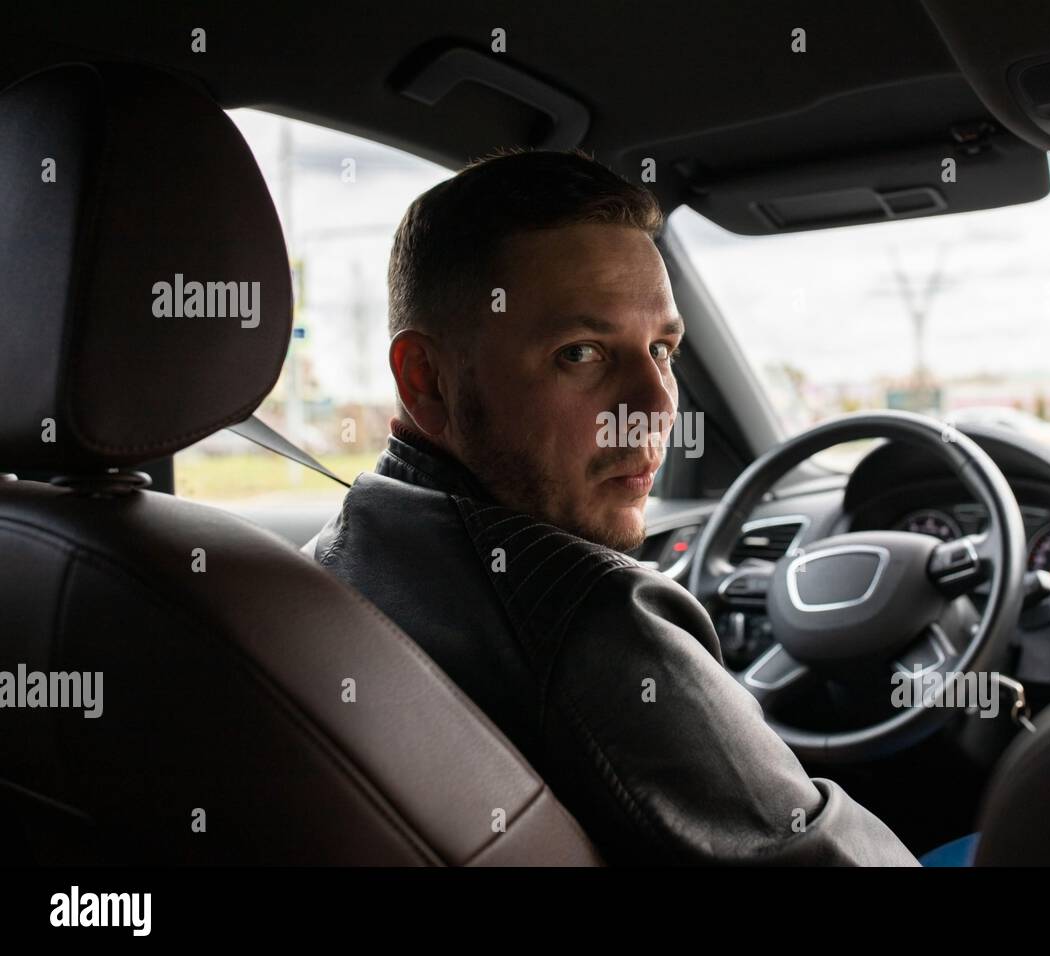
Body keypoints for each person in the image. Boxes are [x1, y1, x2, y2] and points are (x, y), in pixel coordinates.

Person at [307, 148, 918, 865]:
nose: (656, 406)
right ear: (427, 381)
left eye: (662, 349)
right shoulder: (589, 615)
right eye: (582, 353)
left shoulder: (349, 547)